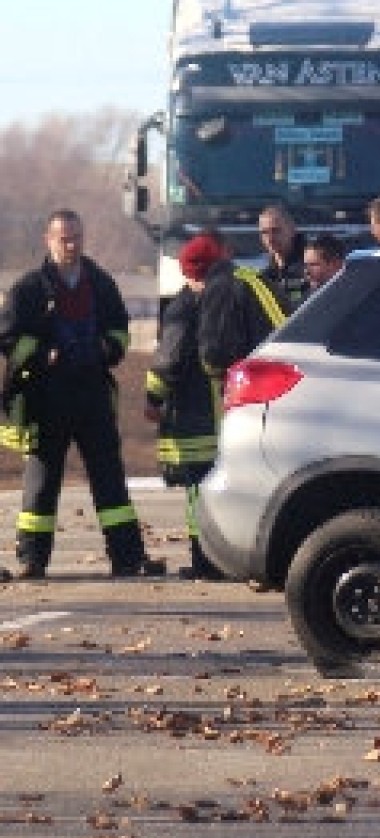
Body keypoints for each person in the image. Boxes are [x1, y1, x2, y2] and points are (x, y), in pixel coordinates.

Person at [0, 210, 165, 578]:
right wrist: (44, 354)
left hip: (92, 394)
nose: (71, 245)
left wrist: (107, 349)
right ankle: (32, 559)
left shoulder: (101, 284)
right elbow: (9, 339)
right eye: (64, 238)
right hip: (47, 397)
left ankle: (127, 557)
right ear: (48, 239)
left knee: (109, 478)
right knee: (42, 482)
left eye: (76, 238)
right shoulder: (29, 289)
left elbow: (120, 331)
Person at [143, 232, 231, 579]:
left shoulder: (181, 308)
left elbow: (168, 361)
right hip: (220, 415)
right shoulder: (225, 301)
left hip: (192, 417)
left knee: (197, 493)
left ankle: (203, 562)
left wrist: (153, 398)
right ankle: (220, 559)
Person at [196, 226, 289, 380]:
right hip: (278, 366)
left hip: (259, 376)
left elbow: (217, 355)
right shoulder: (251, 278)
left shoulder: (222, 286)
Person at [257, 205, 309, 310]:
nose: (270, 238)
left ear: (292, 230)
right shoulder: (265, 276)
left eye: (276, 231)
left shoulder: (311, 268)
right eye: (264, 232)